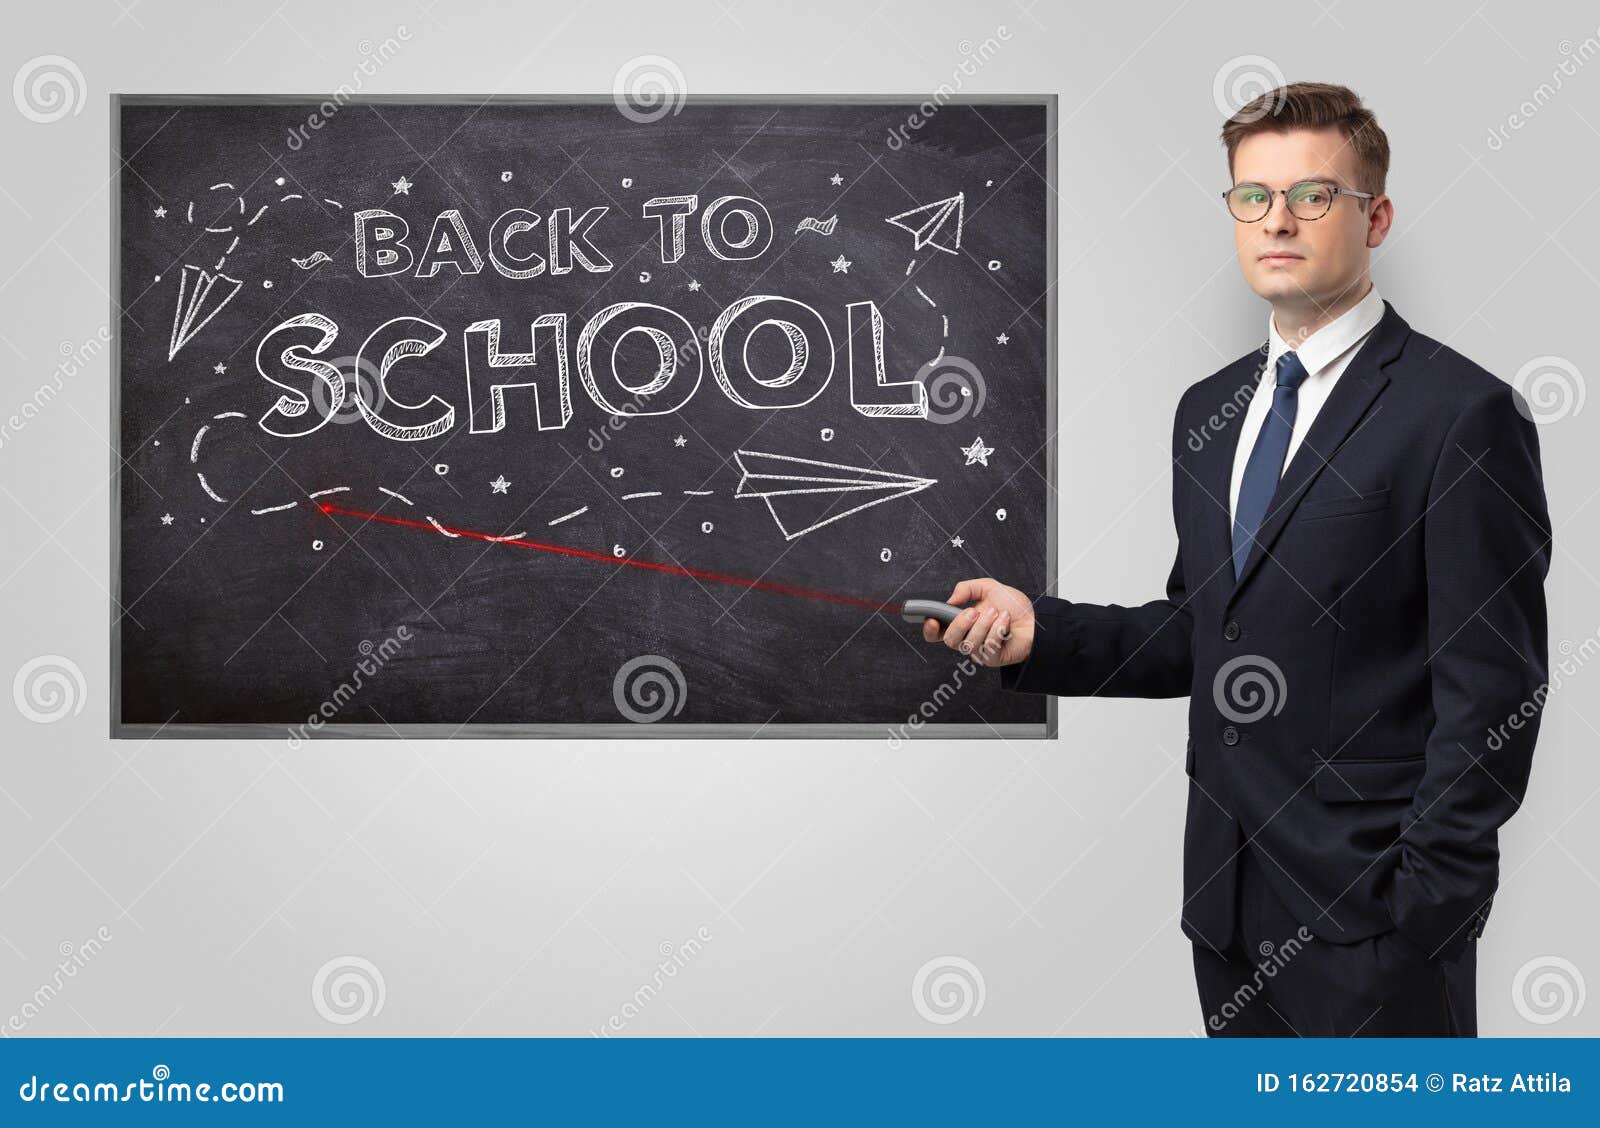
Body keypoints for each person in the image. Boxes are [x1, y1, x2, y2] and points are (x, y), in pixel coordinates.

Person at [923, 82, 1551, 1036]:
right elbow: (1204, 631)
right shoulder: (1205, 413)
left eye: (1313, 195)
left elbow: (1494, 689)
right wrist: (1036, 635)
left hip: (1377, 921)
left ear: (1374, 216)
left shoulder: (1461, 414)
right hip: (1225, 904)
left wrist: (1426, 909)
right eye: (1252, 196)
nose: (1278, 220)